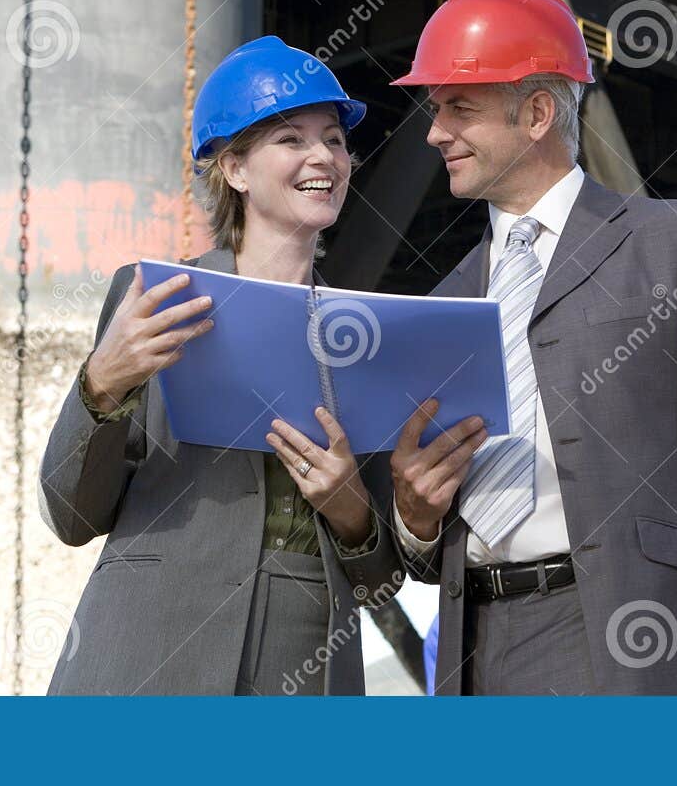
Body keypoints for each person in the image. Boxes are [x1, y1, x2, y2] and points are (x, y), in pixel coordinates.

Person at [387, 0, 677, 695]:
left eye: (458, 107)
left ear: (536, 113)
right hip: (477, 657)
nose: (435, 133)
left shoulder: (675, 243)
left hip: (641, 649)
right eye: (434, 110)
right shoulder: (445, 300)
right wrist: (415, 517)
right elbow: (430, 553)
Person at [38, 35, 404, 695]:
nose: (324, 155)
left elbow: (381, 578)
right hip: (148, 663)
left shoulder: (364, 338)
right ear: (234, 168)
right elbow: (71, 516)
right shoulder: (155, 299)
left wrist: (352, 511)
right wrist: (102, 383)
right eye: (291, 139)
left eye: (334, 139)